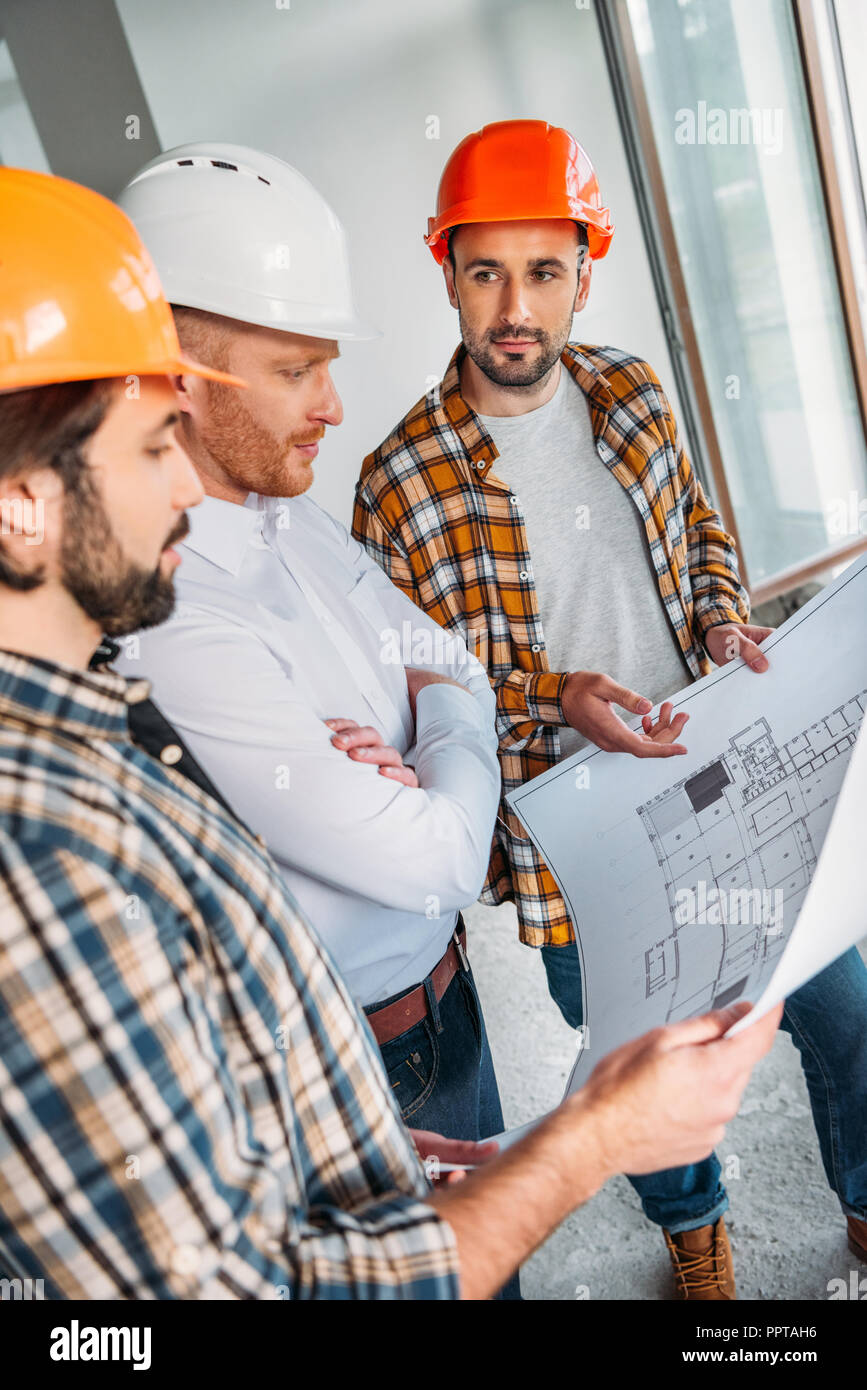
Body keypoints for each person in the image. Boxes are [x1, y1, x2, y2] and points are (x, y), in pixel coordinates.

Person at [0, 166, 781, 1301]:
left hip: (366, 1065)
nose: (184, 488)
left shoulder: (140, 662)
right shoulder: (45, 828)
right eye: (152, 442)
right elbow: (247, 1292)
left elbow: (451, 665)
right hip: (370, 1038)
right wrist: (595, 1138)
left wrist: (330, 1126)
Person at [352, 119, 867, 1296]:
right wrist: (556, 698)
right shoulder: (399, 481)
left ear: (585, 271)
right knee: (641, 1070)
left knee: (846, 1014)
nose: (514, 307)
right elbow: (413, 687)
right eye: (486, 272)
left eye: (544, 270)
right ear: (446, 272)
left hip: (728, 780)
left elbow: (702, 531)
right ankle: (696, 1228)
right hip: (579, 854)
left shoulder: (632, 392)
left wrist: (724, 621)